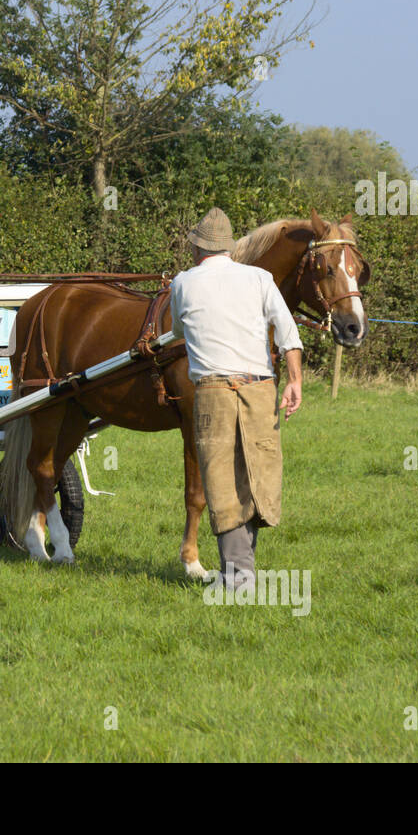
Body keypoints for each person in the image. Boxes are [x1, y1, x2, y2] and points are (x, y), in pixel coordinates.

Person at [168, 207, 304, 590]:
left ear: (198, 249)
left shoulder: (183, 283)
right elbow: (289, 334)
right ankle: (241, 574)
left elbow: (178, 328)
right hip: (261, 386)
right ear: (230, 249)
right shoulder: (260, 278)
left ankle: (239, 577)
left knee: (222, 479)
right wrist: (294, 382)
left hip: (212, 392)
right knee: (257, 475)